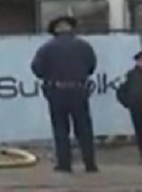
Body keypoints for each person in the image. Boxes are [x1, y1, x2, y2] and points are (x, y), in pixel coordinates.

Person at [31, 14, 99, 173]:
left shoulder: (46, 48)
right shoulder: (84, 46)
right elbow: (91, 67)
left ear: (54, 31)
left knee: (61, 129)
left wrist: (50, 76)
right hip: (79, 90)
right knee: (84, 128)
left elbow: (36, 69)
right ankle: (90, 163)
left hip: (57, 92)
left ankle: (64, 164)